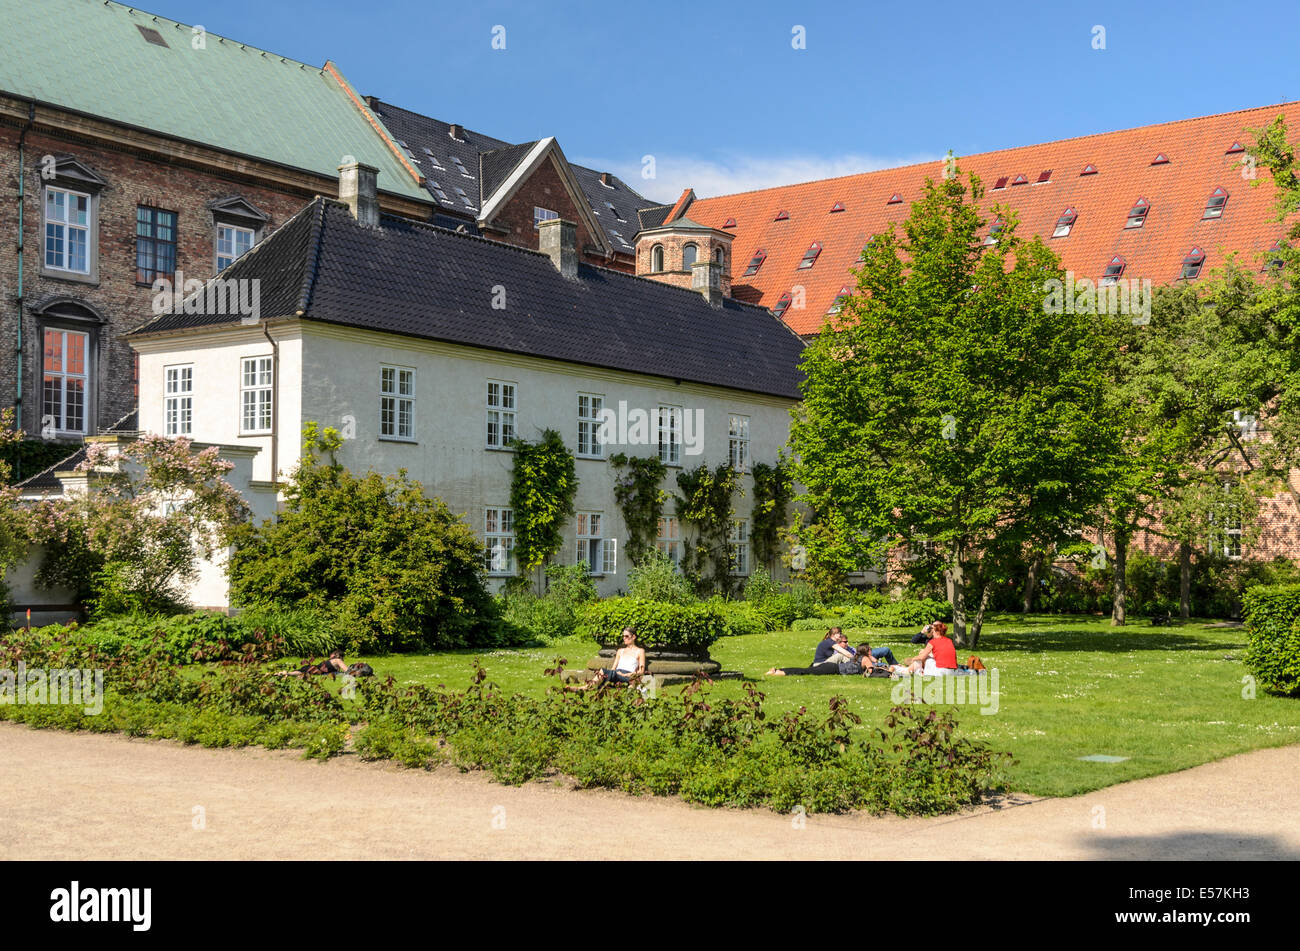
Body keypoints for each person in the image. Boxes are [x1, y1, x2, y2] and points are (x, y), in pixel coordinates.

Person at [573, 627, 645, 689]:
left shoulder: (640, 651)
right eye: (623, 636)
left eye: (626, 636)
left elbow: (641, 671)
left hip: (628, 675)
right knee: (605, 672)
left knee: (604, 672)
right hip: (616, 673)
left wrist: (626, 675)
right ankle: (590, 686)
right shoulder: (620, 651)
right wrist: (612, 673)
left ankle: (585, 687)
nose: (624, 638)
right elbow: (613, 668)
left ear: (634, 637)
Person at [769, 628, 854, 676]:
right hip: (820, 664)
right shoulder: (830, 642)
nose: (841, 635)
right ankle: (858, 666)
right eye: (840, 633)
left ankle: (777, 671)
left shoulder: (828, 641)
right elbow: (845, 653)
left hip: (819, 663)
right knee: (840, 655)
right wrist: (856, 658)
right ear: (834, 634)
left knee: (804, 671)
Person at [277, 649, 348, 678]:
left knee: (299, 672)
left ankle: (282, 673)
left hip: (312, 668)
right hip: (315, 669)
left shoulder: (333, 661)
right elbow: (347, 671)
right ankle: (284, 673)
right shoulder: (337, 660)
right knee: (302, 673)